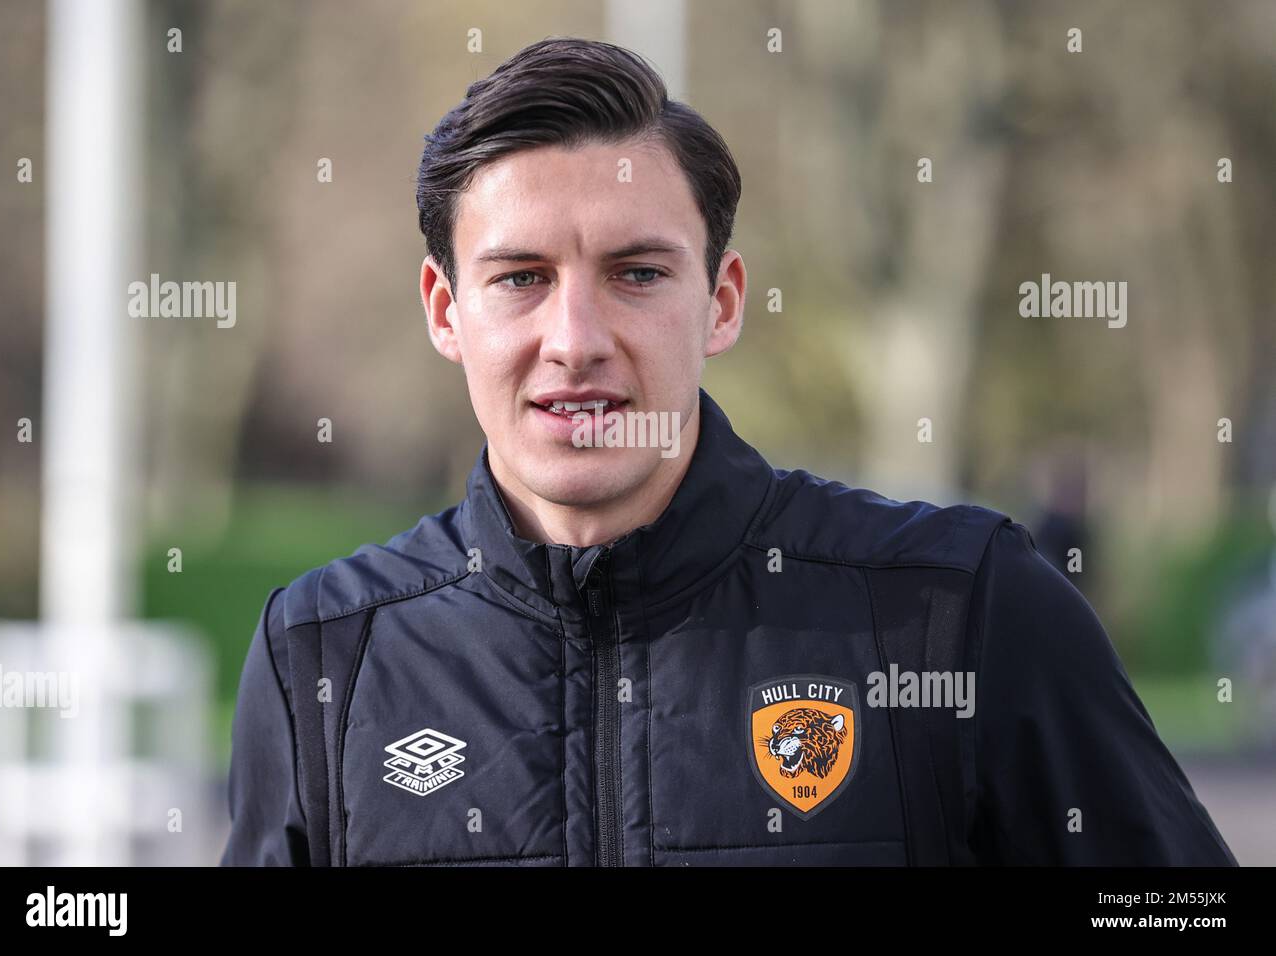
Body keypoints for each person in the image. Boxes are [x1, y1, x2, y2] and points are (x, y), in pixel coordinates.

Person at [220, 36, 1236, 867]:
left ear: (721, 301)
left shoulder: (954, 606)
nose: (575, 339)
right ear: (447, 311)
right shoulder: (325, 654)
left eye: (636, 272)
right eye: (521, 277)